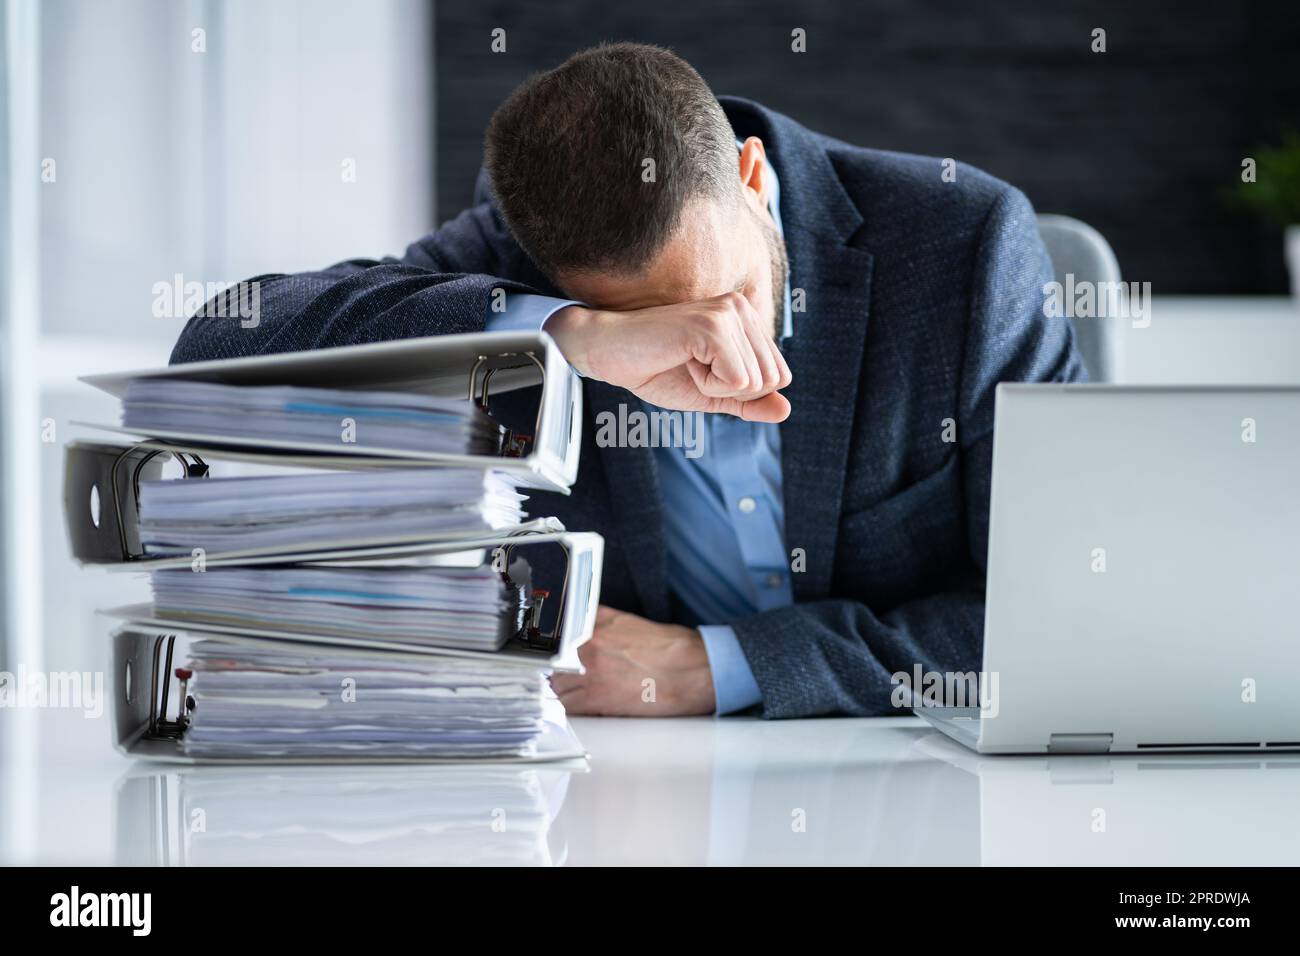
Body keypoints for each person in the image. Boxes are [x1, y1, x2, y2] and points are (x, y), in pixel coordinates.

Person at [171, 43, 1085, 719]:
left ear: (750, 178)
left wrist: (717, 666)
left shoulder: (966, 248)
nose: (720, 359)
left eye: (732, 296)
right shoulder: (523, 265)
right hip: (630, 790)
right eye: (662, 332)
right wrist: (562, 338)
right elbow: (217, 346)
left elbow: (1054, 616)